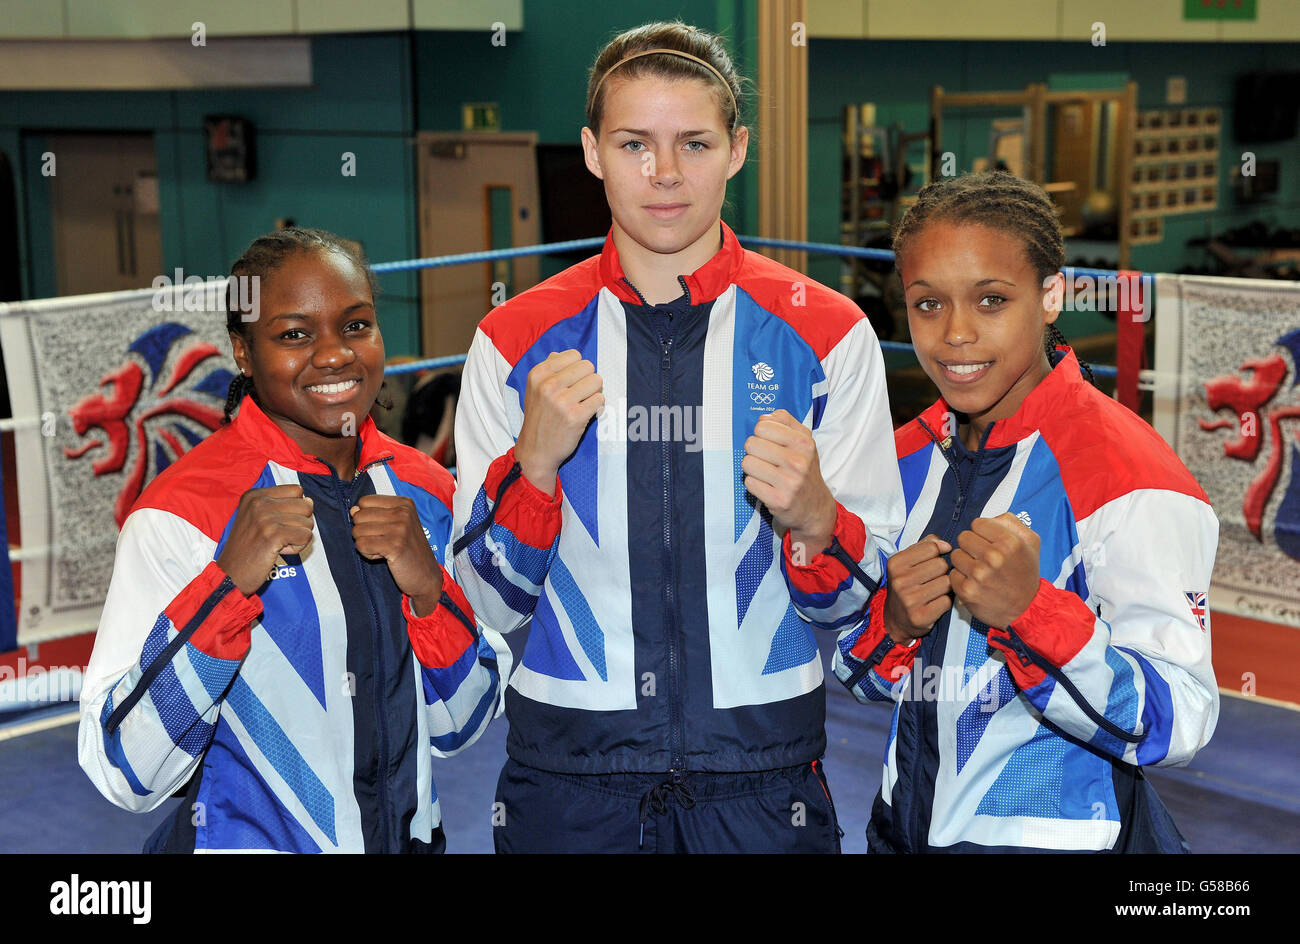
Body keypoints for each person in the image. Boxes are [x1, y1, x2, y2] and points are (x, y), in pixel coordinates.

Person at [452, 21, 904, 853]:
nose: (664, 174)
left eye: (693, 143)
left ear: (737, 149)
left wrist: (816, 521)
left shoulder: (828, 335)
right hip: (567, 780)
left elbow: (865, 610)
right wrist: (534, 476)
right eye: (634, 143)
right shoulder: (514, 341)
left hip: (765, 777)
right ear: (591, 150)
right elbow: (482, 601)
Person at [78, 228, 503, 853]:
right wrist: (221, 593)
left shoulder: (427, 490)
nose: (333, 355)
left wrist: (429, 593)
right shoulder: (183, 511)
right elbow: (122, 770)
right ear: (243, 353)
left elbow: (463, 724)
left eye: (355, 325)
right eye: (294, 334)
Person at [830, 171, 1219, 852]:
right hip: (903, 827)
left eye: (990, 300)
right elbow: (863, 680)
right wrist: (891, 624)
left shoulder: (1126, 474)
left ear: (1050, 296)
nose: (955, 334)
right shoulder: (908, 458)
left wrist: (1032, 616)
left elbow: (1183, 717)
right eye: (927, 305)